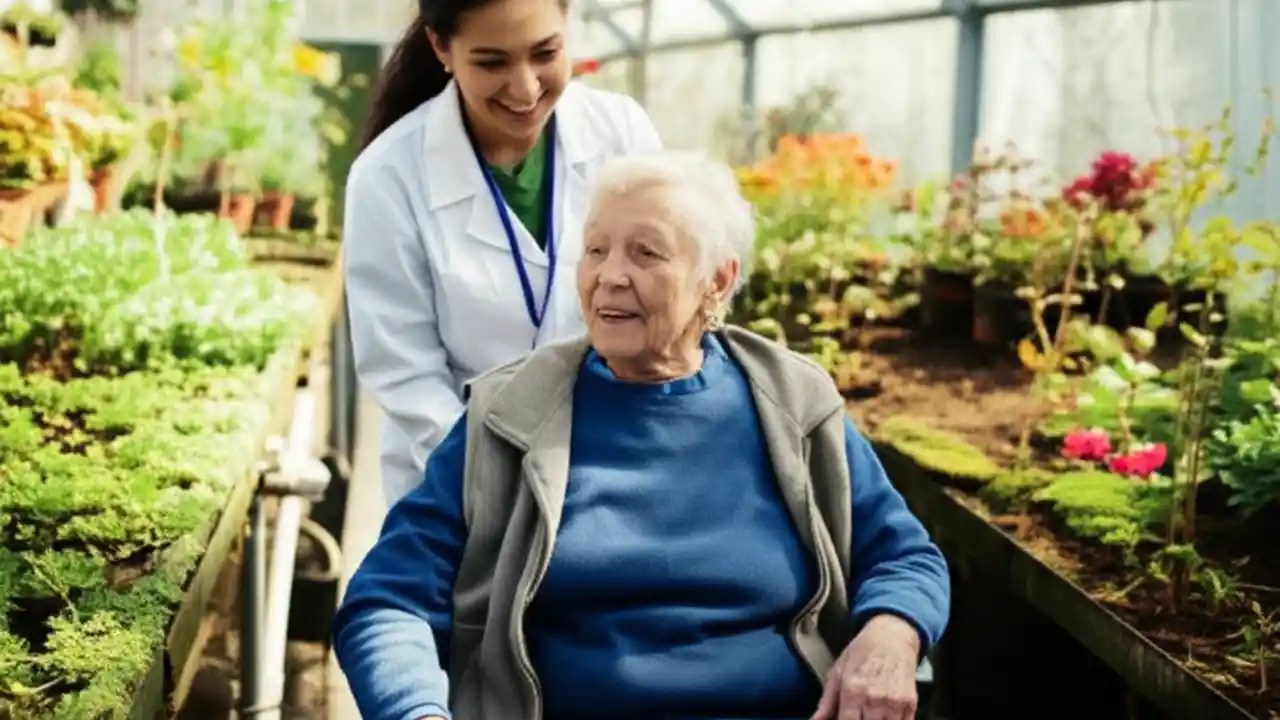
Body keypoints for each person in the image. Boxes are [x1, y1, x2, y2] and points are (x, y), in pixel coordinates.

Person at [332, 151, 951, 720]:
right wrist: (417, 711)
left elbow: (904, 555)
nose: (610, 277)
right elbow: (389, 600)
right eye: (595, 250)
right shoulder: (508, 413)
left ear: (718, 279)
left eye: (646, 253)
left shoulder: (792, 402)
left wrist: (891, 633)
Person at [343, 0, 663, 506]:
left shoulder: (620, 133)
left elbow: (667, 299)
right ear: (441, 47)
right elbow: (406, 374)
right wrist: (498, 479)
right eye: (492, 62)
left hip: (611, 470)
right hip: (458, 485)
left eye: (545, 52)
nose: (526, 87)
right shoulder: (388, 176)